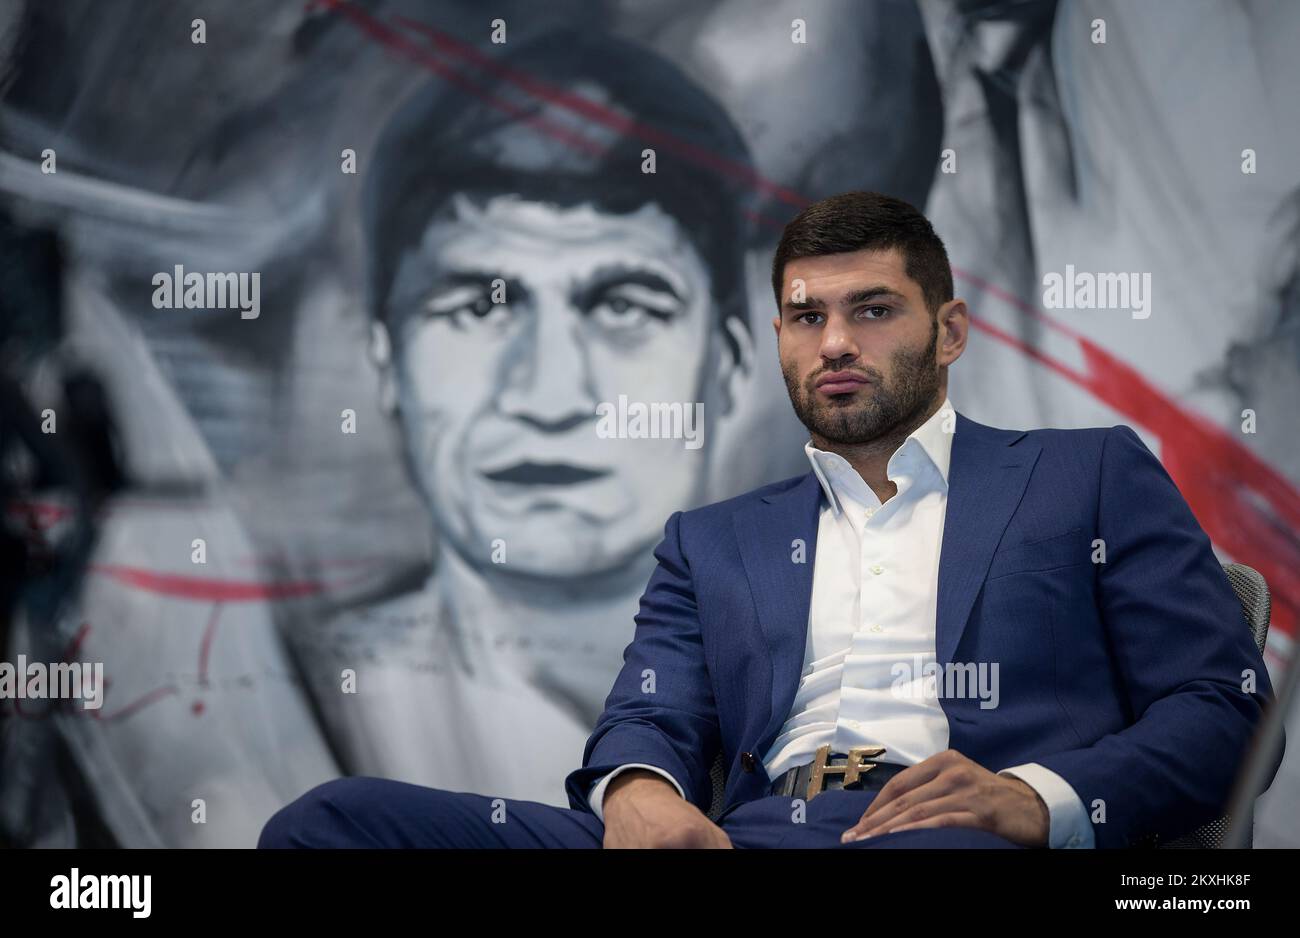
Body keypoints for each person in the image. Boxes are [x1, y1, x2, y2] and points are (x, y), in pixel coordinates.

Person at [260, 191, 1283, 848]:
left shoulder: (1085, 473)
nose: (834, 342)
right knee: (333, 825)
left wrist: (1037, 796)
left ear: (950, 330)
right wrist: (638, 791)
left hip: (952, 828)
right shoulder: (711, 540)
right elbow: (650, 714)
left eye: (872, 309)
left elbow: (1218, 706)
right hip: (742, 836)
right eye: (806, 315)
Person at [280, 29, 759, 804]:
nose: (547, 395)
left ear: (730, 366)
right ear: (384, 361)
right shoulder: (285, 703)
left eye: (622, 304)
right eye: (479, 305)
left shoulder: (848, 691)